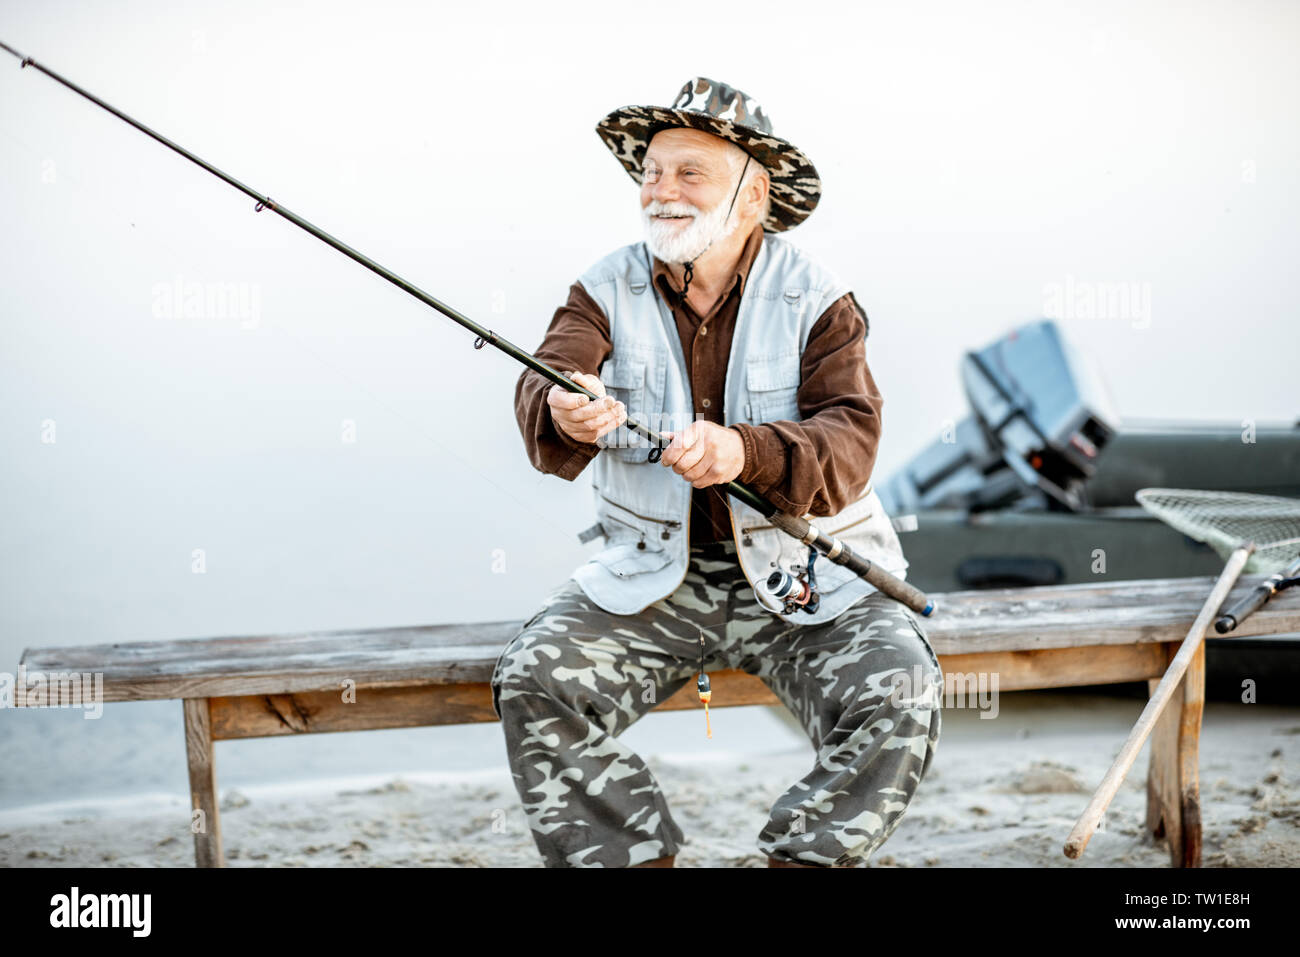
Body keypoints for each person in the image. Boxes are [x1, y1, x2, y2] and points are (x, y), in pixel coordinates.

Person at [491, 77, 943, 868]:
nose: (661, 191)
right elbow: (545, 378)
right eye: (651, 172)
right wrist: (564, 408)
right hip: (653, 576)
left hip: (808, 575)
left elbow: (853, 439)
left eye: (689, 172)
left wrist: (746, 451)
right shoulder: (598, 289)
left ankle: (798, 858)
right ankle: (634, 855)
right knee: (535, 680)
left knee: (902, 687)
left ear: (753, 194)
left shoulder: (821, 298)